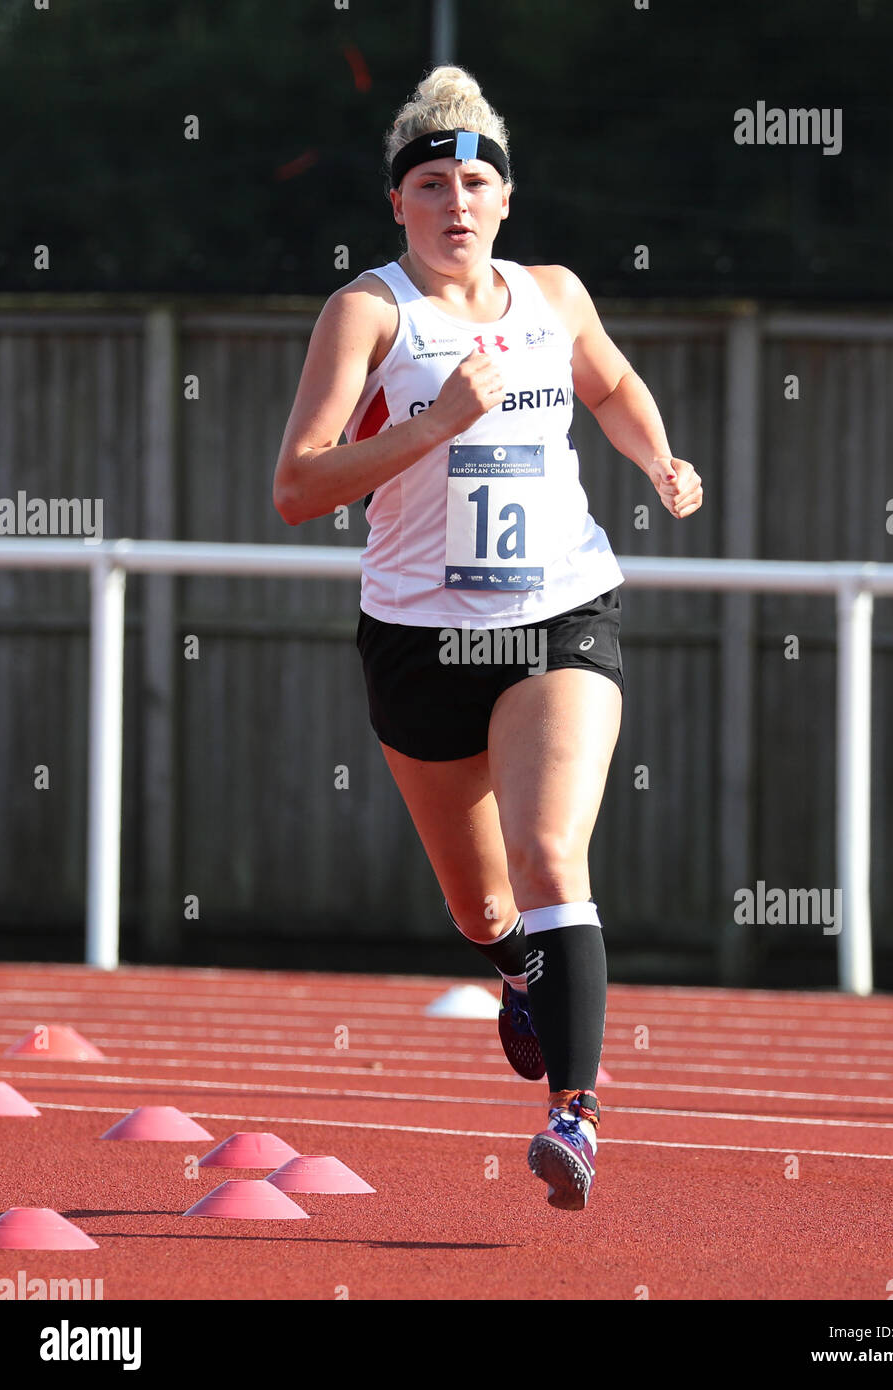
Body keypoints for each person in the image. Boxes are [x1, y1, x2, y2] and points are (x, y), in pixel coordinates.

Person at [273, 65, 702, 1210]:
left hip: (558, 612)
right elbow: (298, 487)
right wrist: (437, 422)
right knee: (480, 908)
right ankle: (518, 970)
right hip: (417, 641)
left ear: (506, 199)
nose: (454, 202)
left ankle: (575, 1114)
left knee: (551, 852)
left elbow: (610, 386)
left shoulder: (551, 295)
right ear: (397, 203)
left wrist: (657, 457)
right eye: (430, 184)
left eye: (474, 184)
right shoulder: (369, 314)